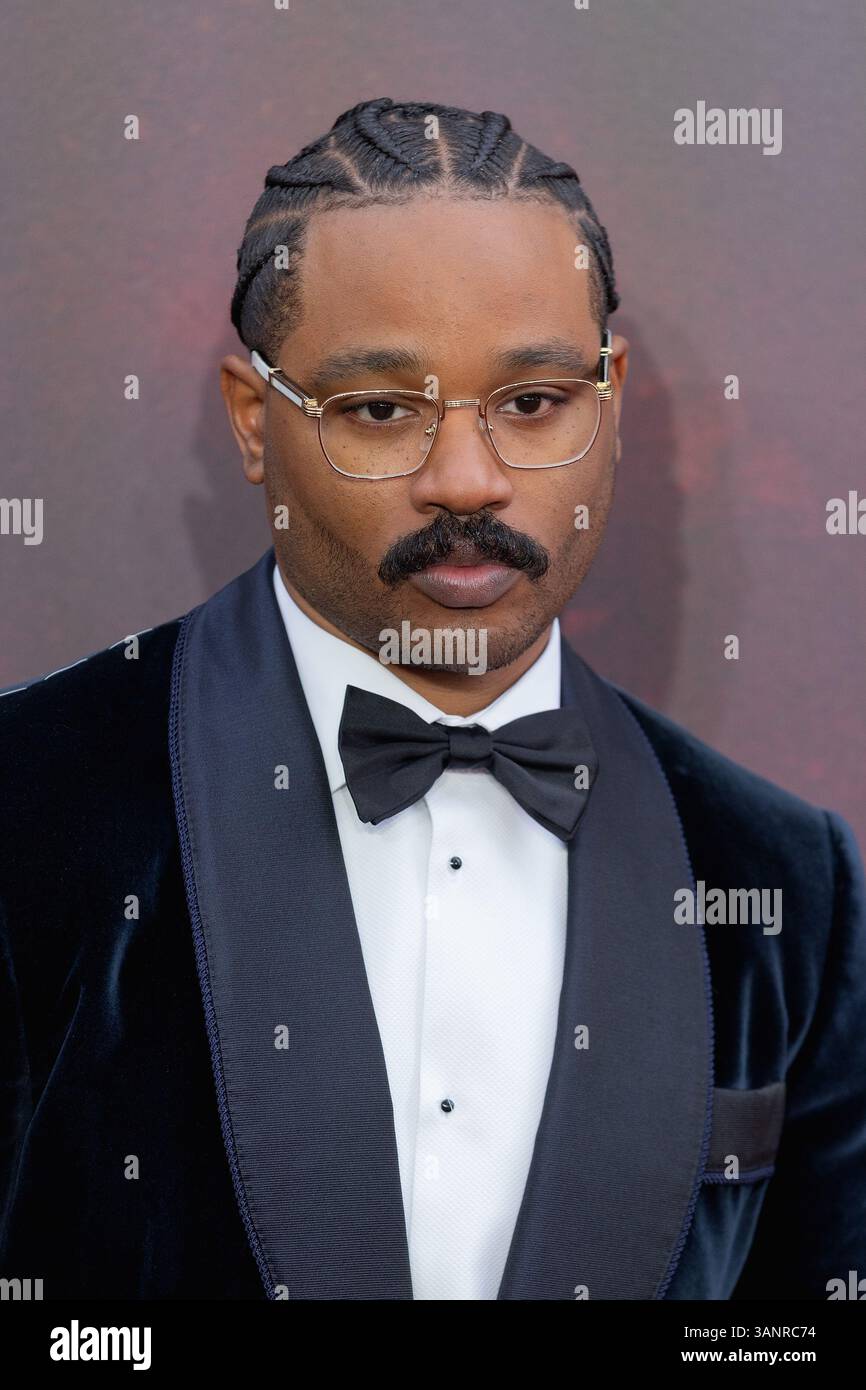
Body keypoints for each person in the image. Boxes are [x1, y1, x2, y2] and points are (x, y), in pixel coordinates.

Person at [1, 96, 864, 1302]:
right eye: (379, 412)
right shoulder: (26, 801)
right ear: (255, 421)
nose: (468, 479)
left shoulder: (788, 883)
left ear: (606, 400)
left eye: (530, 403)